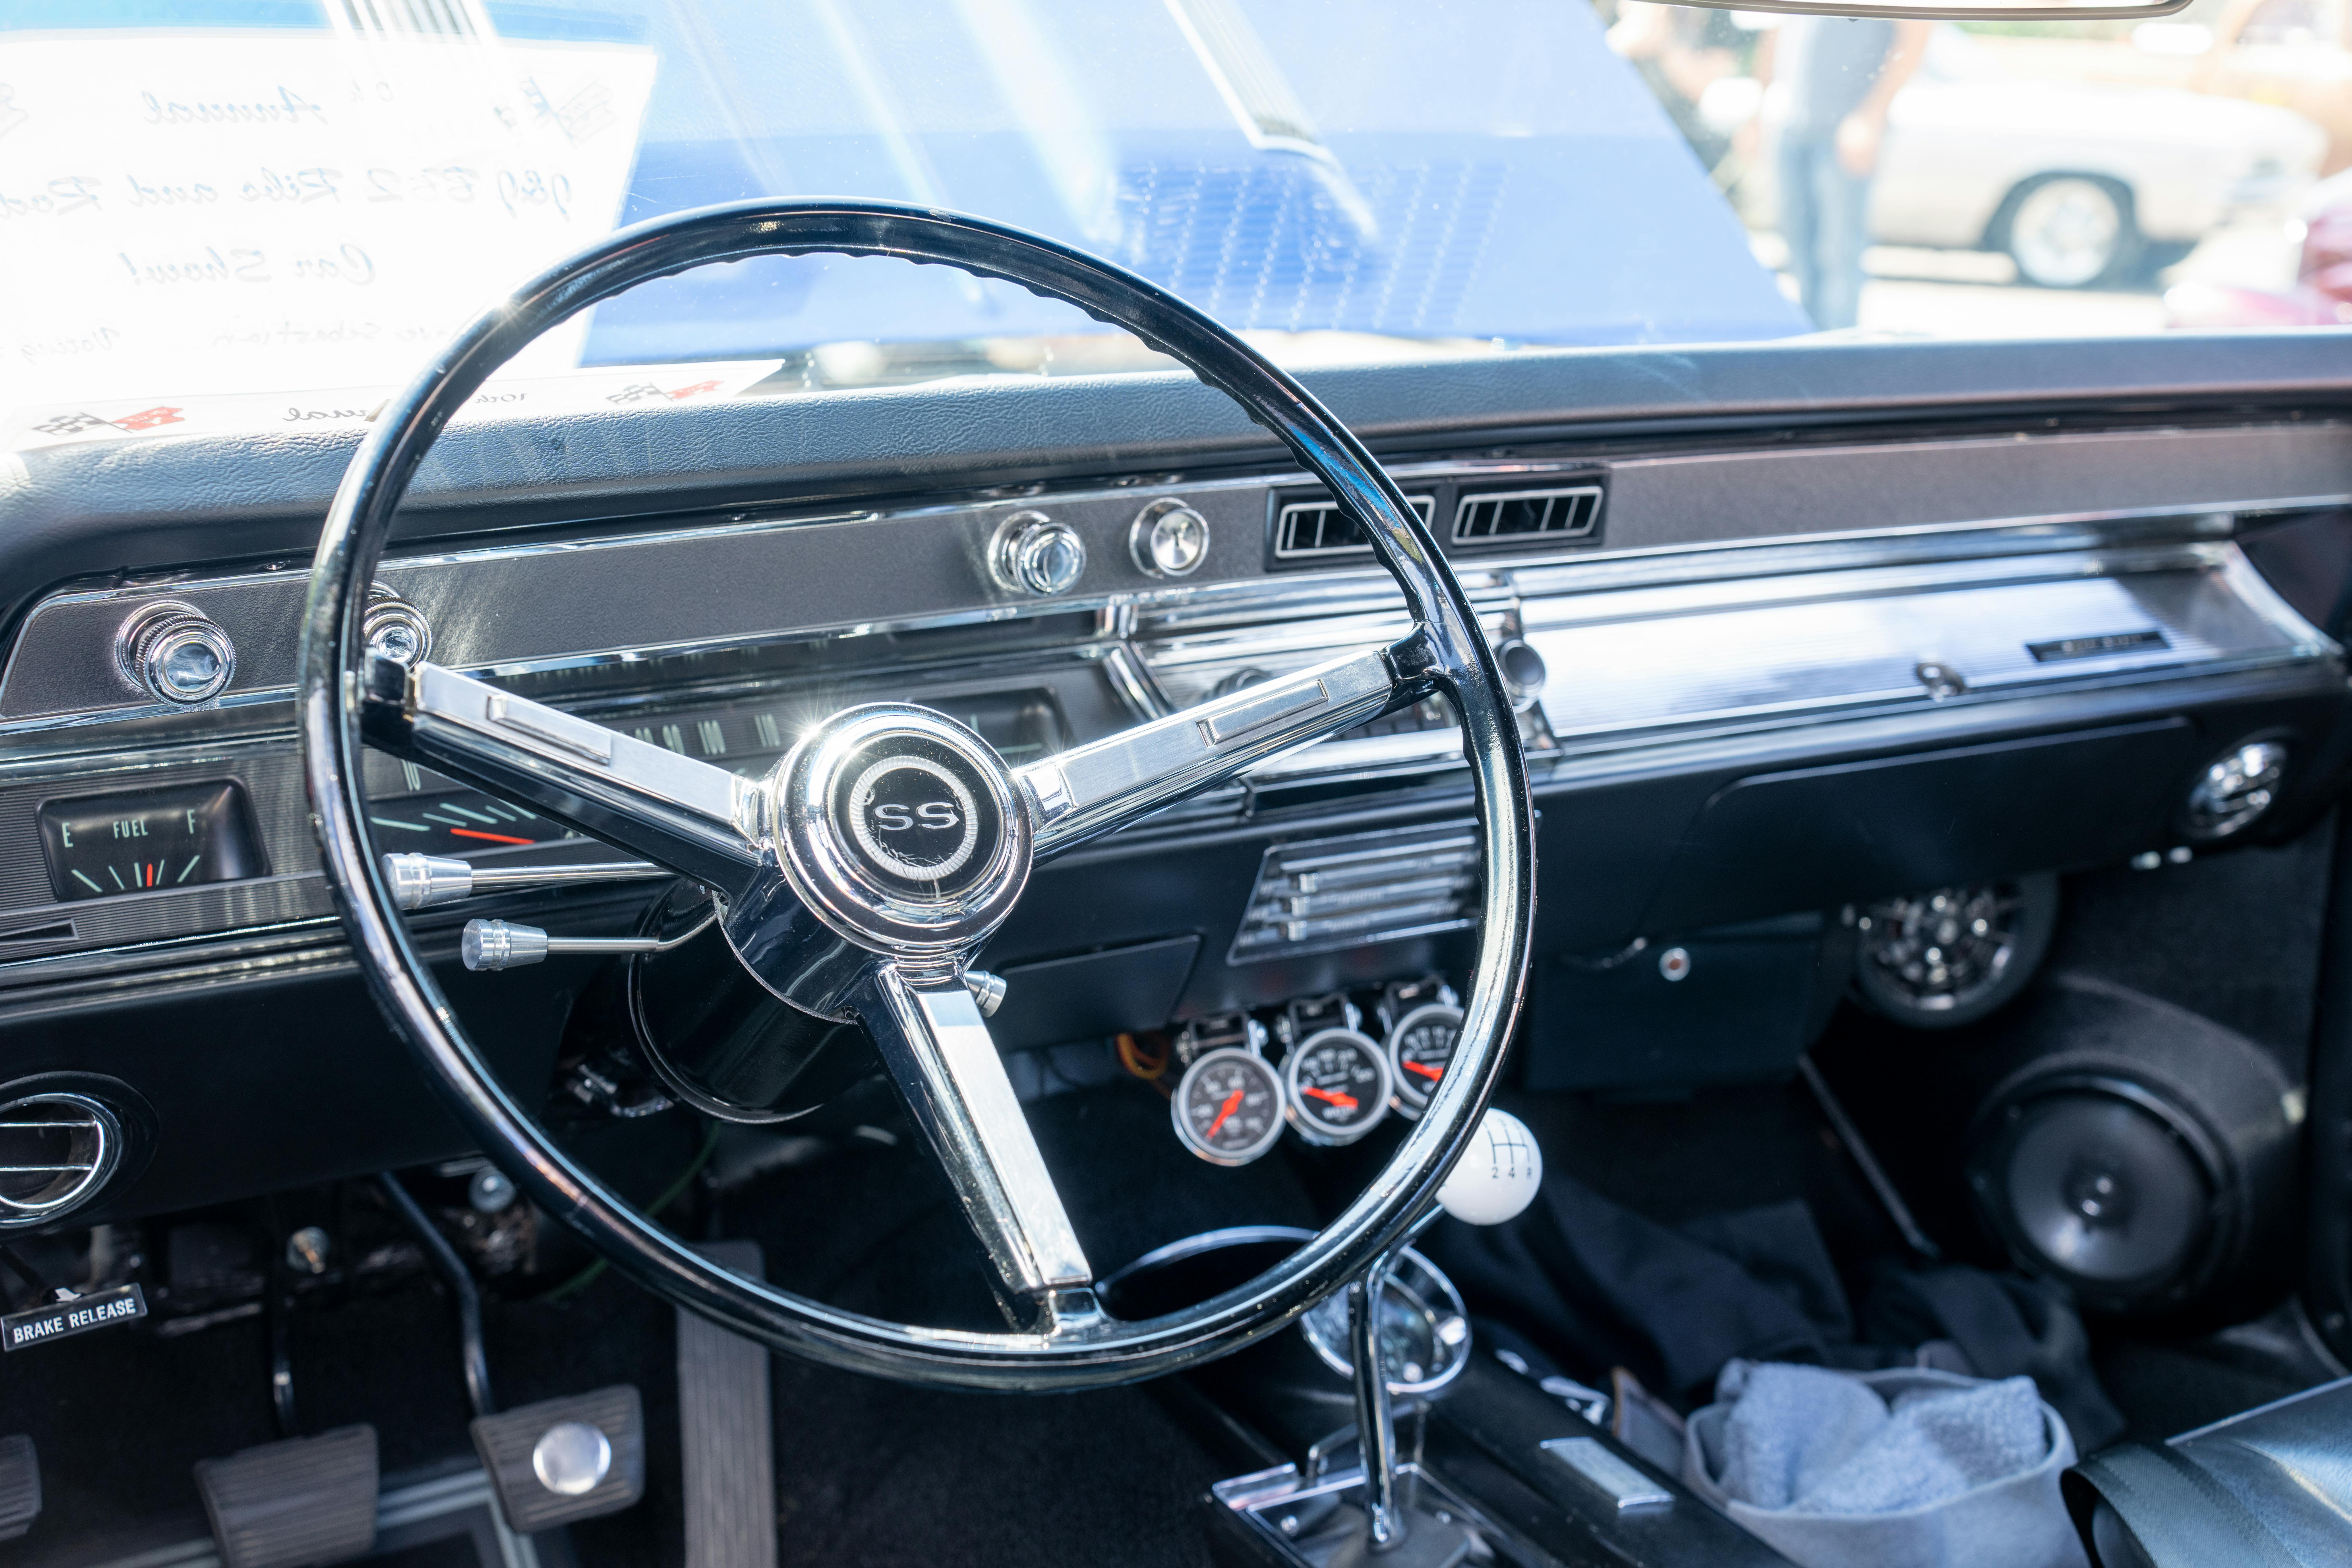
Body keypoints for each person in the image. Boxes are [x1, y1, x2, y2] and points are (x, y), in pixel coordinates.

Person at [1752, 16, 1931, 331]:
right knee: (1797, 246)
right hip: (1788, 125)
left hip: (1845, 129)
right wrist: (1756, 111)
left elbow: (1915, 36)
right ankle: (1808, 342)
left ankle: (1837, 351)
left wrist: (1871, 117)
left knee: (1837, 250)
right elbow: (1773, 34)